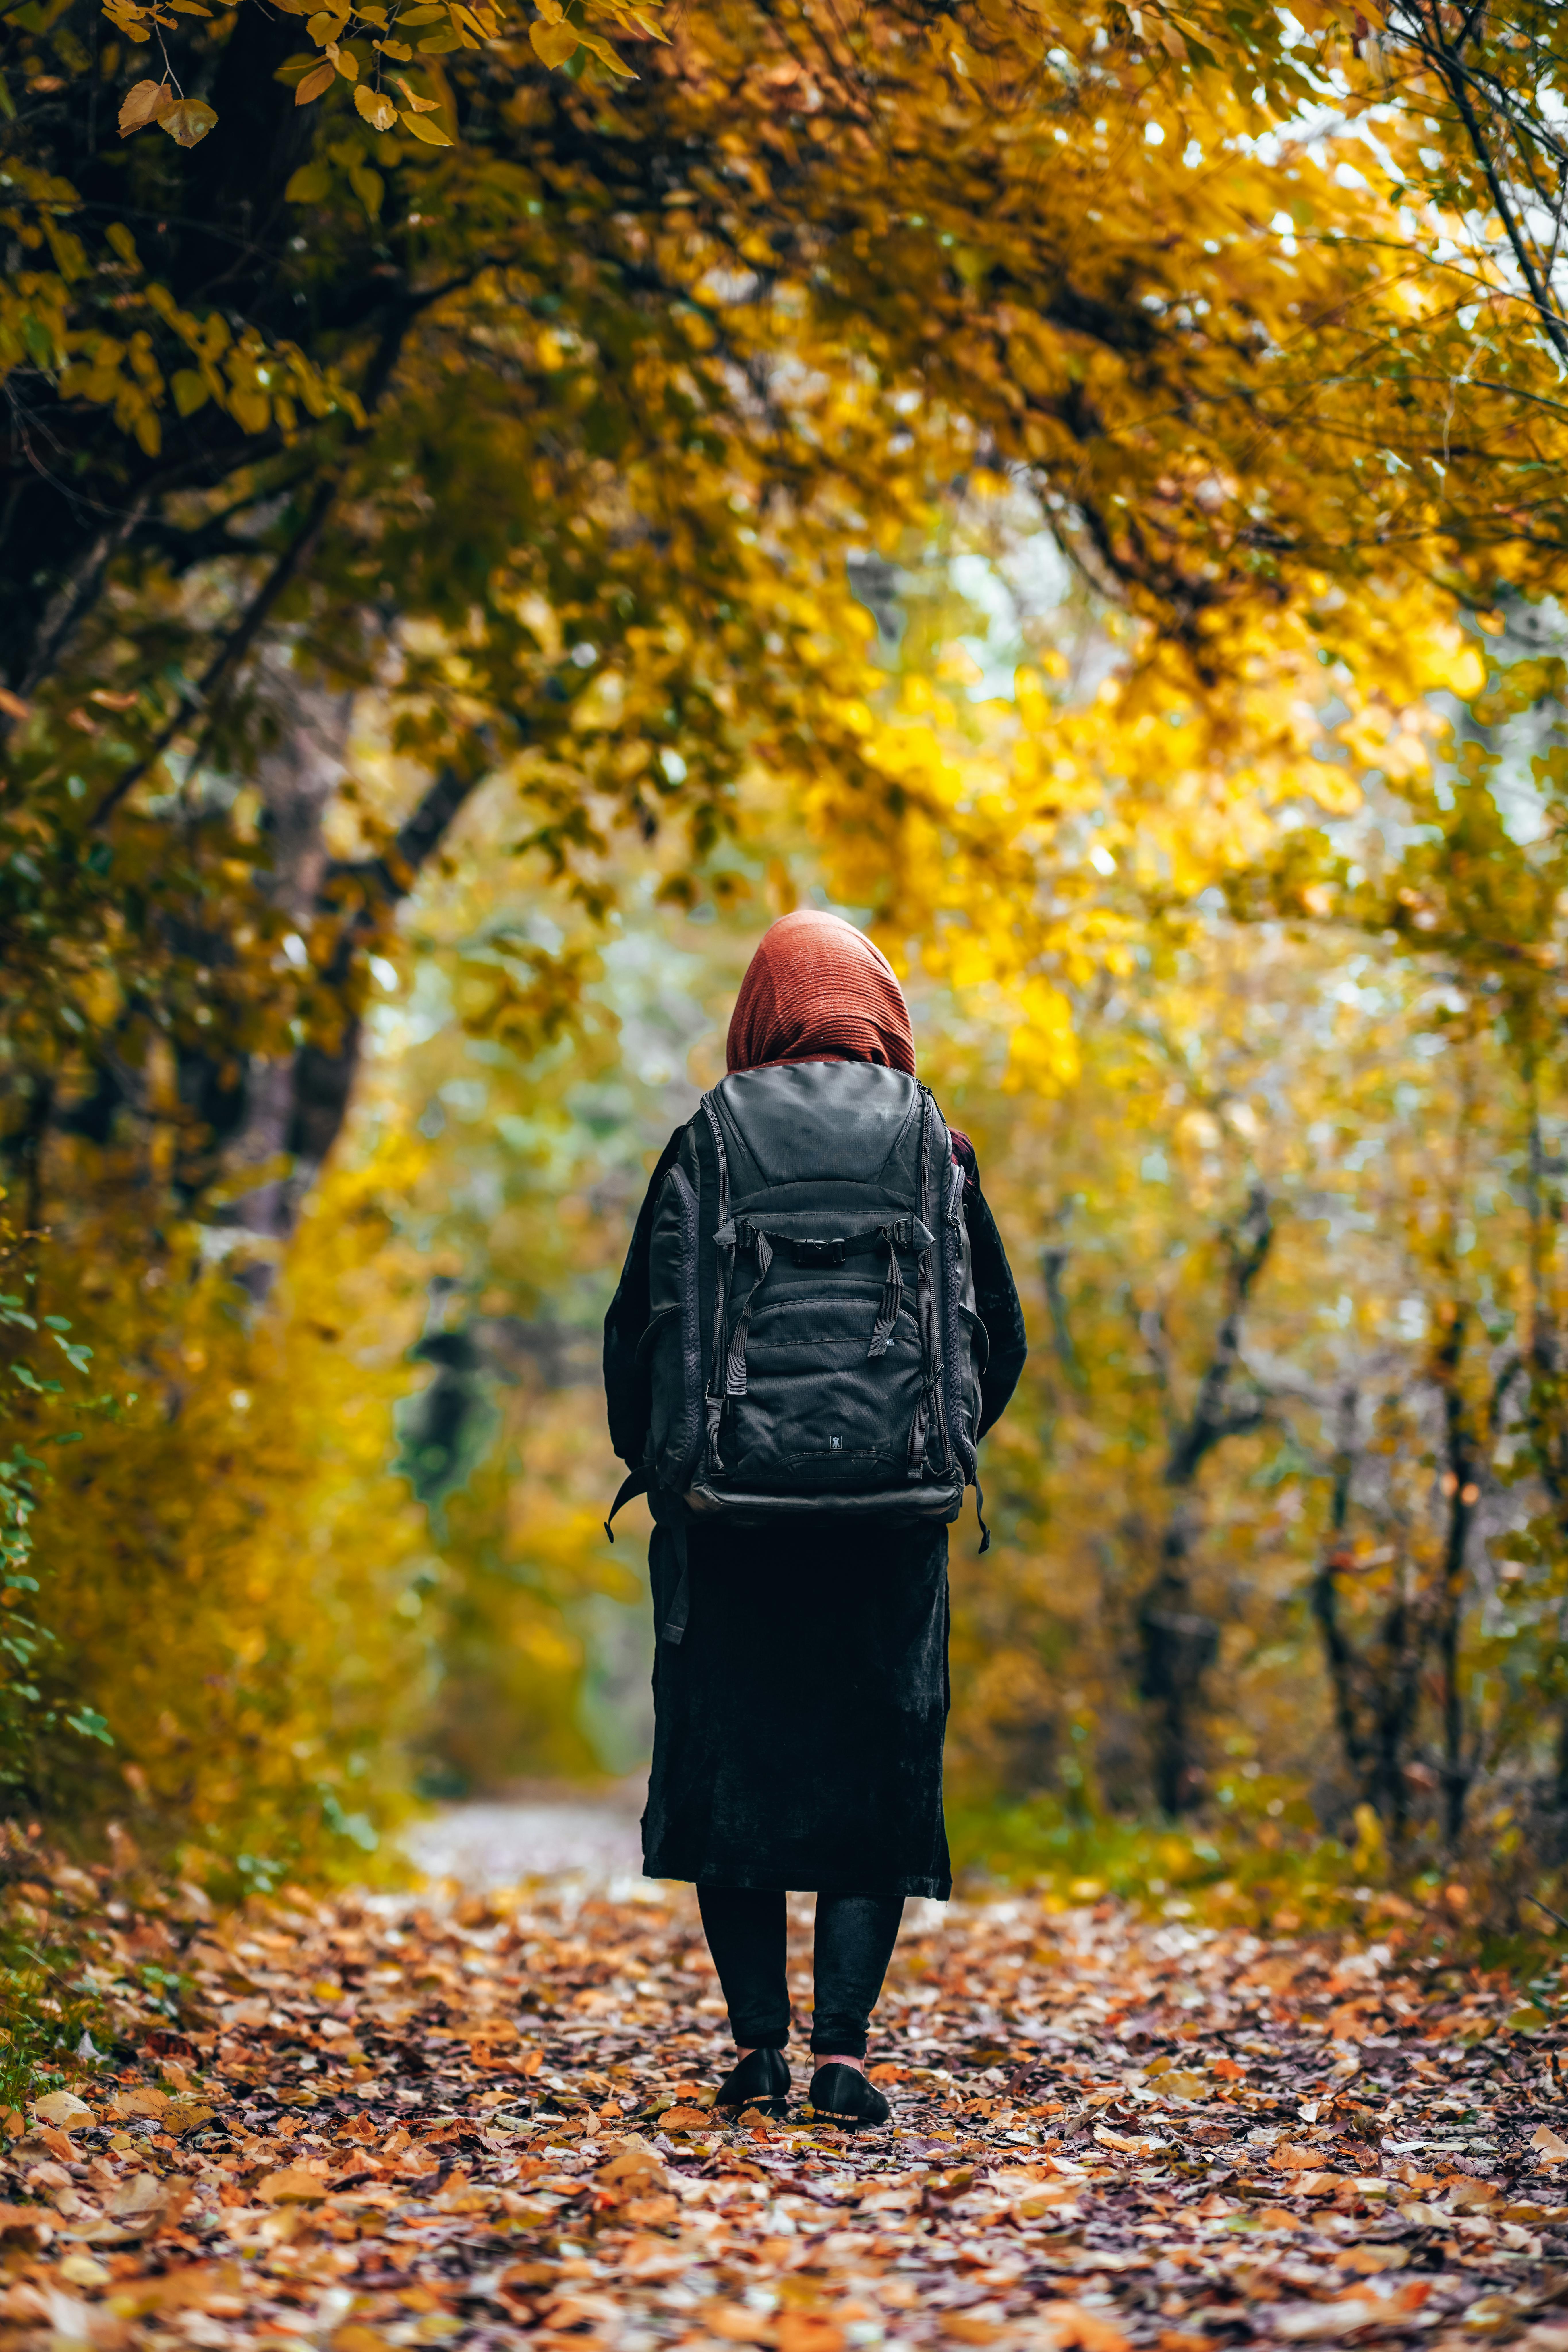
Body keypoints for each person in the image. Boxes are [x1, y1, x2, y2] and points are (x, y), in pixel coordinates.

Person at [603, 910, 1026, 2123]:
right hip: (888, 1527)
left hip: (728, 1522)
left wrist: (668, 1469)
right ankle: (843, 2052)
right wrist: (927, 1447)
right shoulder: (934, 1146)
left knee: (732, 1770)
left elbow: (636, 1336)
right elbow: (999, 1333)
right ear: (878, 1010)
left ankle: (756, 2049)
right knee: (872, 1769)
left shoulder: (707, 1138)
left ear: (760, 1011)